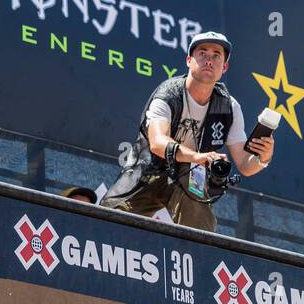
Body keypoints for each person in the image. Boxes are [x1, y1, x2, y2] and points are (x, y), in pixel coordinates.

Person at [100, 31, 273, 231]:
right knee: (108, 217)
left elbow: (245, 165)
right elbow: (157, 143)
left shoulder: (229, 107)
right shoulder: (168, 94)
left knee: (195, 192)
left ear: (224, 67)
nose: (209, 60)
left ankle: (200, 248)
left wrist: (264, 158)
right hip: (148, 171)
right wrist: (198, 157)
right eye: (203, 53)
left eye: (216, 55)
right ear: (189, 61)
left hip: (190, 174)